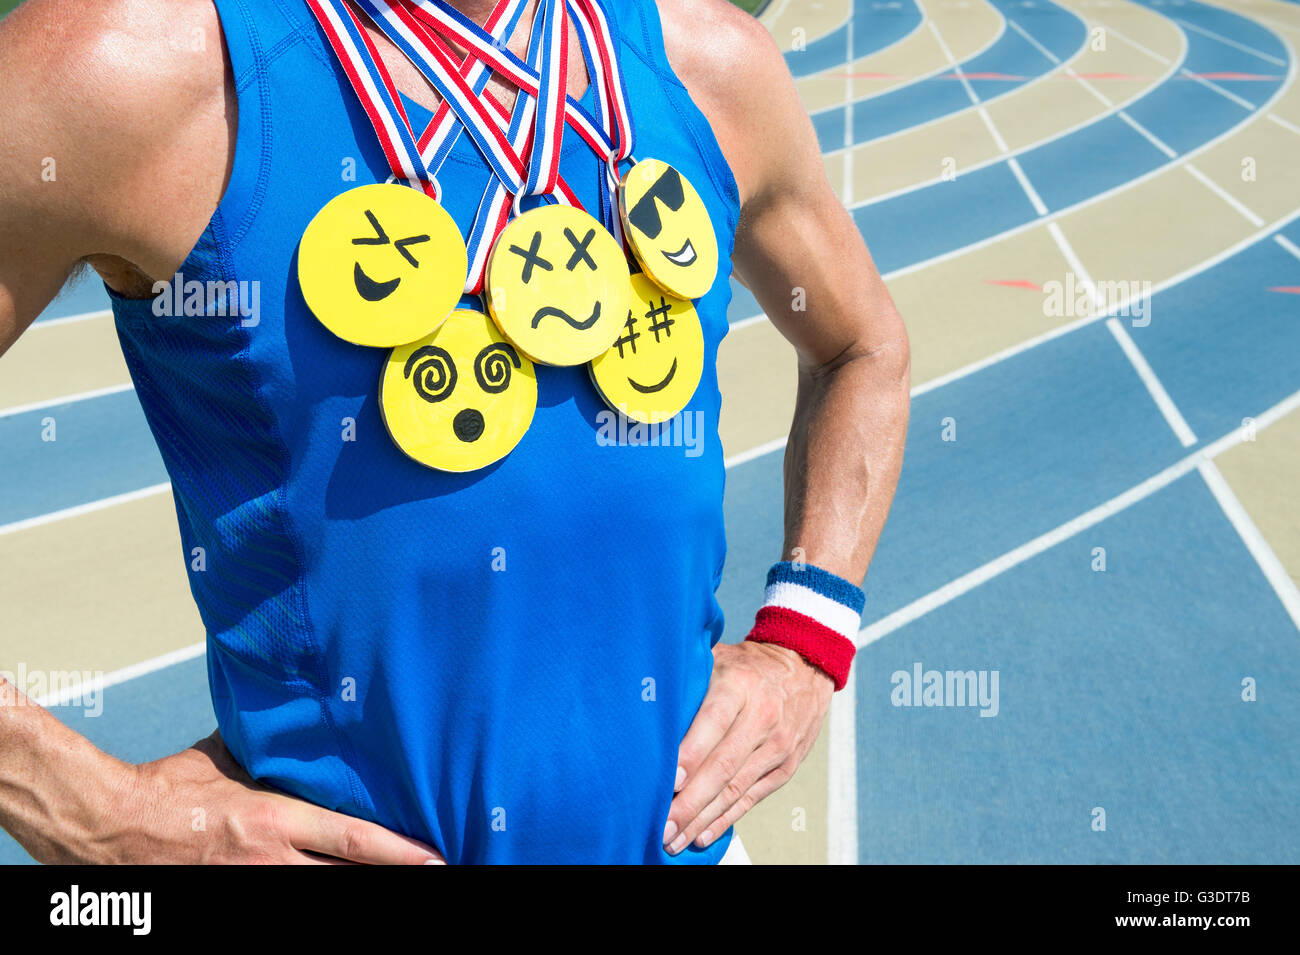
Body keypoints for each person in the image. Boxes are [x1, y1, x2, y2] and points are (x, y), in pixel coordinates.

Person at [0, 0, 909, 864]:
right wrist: (93, 814)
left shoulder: (706, 65)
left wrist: (804, 643)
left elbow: (861, 348)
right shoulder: (139, 64)